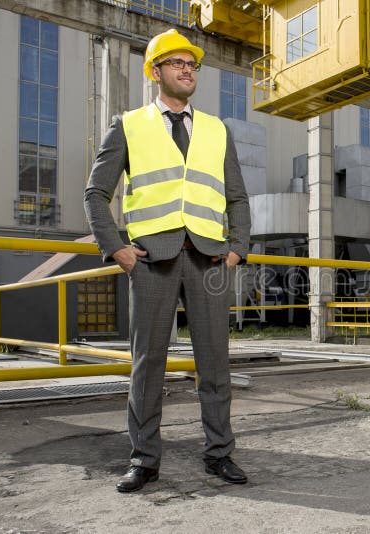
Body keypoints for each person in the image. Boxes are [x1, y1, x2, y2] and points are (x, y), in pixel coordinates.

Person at [84, 29, 251, 493]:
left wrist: (237, 248)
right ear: (155, 71)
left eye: (193, 65)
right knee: (147, 364)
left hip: (211, 262)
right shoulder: (129, 124)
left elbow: (237, 197)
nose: (187, 70)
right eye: (177, 63)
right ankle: (144, 460)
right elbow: (96, 193)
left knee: (215, 365)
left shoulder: (217, 129)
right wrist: (115, 247)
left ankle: (220, 455)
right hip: (151, 260)